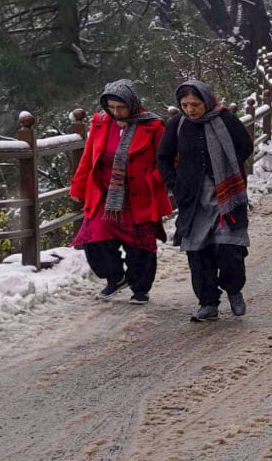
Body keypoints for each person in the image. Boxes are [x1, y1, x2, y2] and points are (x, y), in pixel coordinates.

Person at [157, 79, 254, 322]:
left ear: (207, 102)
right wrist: (175, 183)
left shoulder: (225, 120)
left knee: (230, 249)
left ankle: (233, 289)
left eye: (196, 104)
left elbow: (244, 146)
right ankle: (208, 302)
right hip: (193, 200)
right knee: (198, 253)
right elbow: (163, 156)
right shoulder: (178, 125)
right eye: (185, 104)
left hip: (227, 196)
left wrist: (225, 169)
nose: (190, 110)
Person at [70, 79, 172, 304]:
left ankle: (140, 288)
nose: (116, 113)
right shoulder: (99, 122)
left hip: (139, 196)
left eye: (121, 107)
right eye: (111, 107)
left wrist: (152, 179)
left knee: (140, 245)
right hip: (104, 196)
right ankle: (114, 277)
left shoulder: (153, 125)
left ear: (133, 104)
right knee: (93, 239)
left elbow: (166, 159)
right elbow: (89, 158)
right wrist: (78, 187)